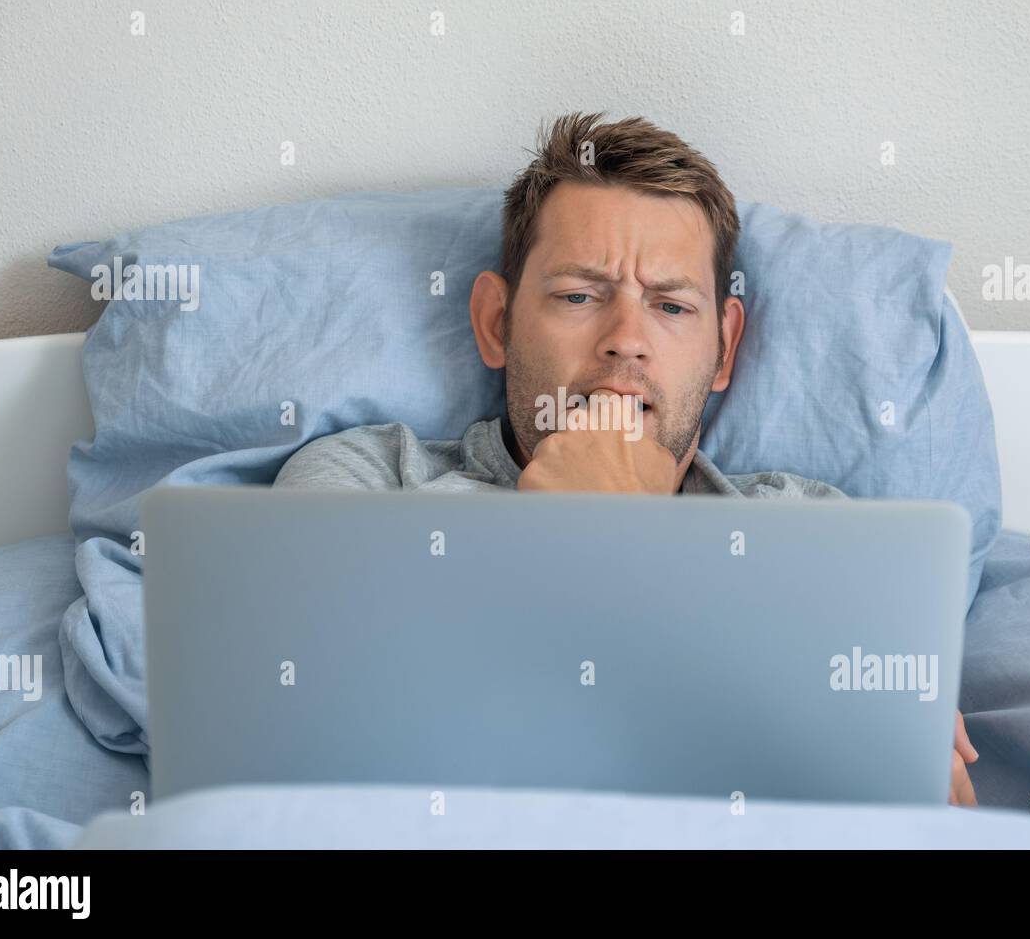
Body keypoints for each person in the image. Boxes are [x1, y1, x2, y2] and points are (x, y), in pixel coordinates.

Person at [274, 110, 979, 804]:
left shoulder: (822, 540)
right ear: (497, 323)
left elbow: (929, 818)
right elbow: (332, 723)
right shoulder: (365, 484)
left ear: (726, 348)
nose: (626, 341)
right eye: (580, 295)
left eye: (671, 307)